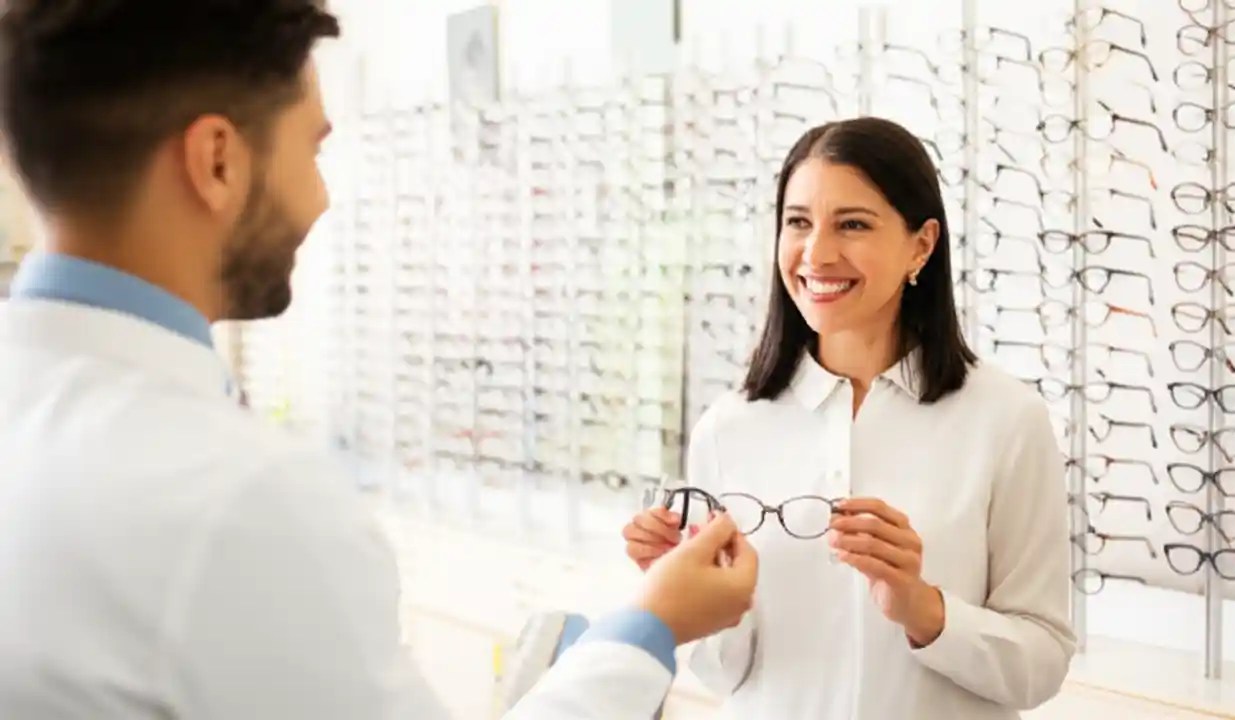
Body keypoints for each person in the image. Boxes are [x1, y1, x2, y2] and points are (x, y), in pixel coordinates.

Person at [0, 2, 758, 719]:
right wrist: (650, 627)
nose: (321, 198)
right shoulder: (240, 501)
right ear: (218, 161)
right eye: (313, 148)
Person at [623, 117, 1075, 719]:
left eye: (852, 224)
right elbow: (726, 674)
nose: (817, 253)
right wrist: (680, 585)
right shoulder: (728, 429)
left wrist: (922, 608)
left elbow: (1041, 664)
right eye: (798, 222)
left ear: (921, 245)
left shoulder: (1006, 421)